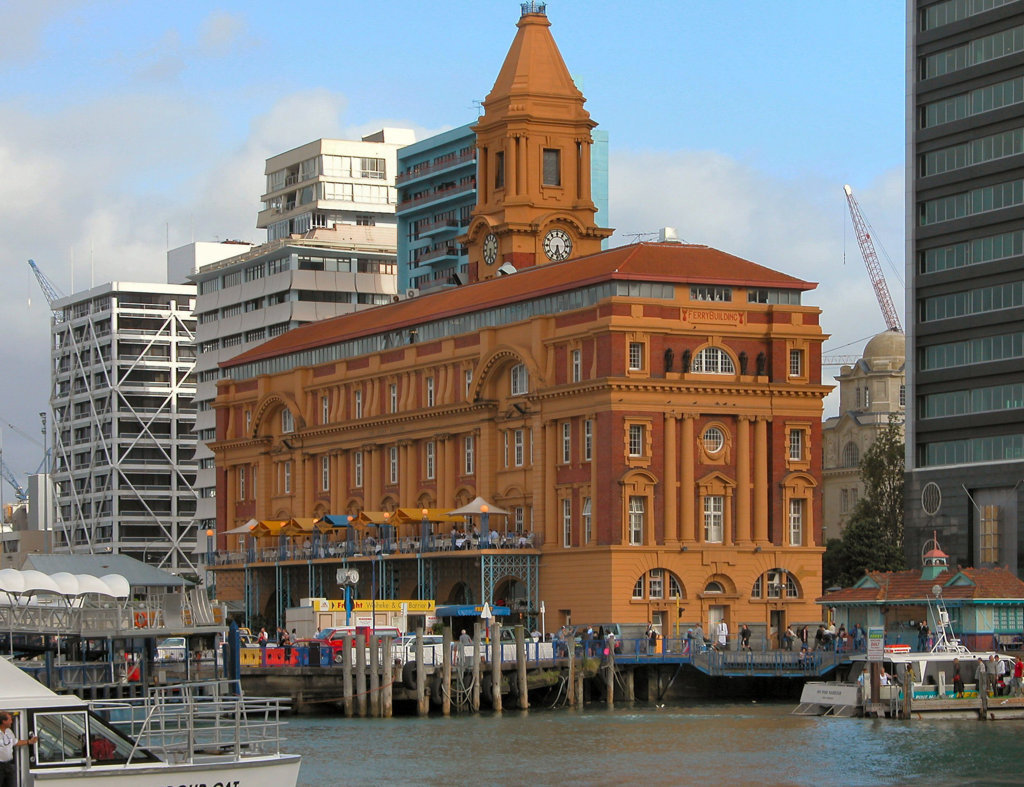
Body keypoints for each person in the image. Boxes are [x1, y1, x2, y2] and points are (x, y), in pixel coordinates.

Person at [1, 711, 38, 787]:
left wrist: (29, 741)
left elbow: (15, 742)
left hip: (9, 764)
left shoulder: (9, 732)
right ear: (4, 721)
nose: (11, 721)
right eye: (10, 719)